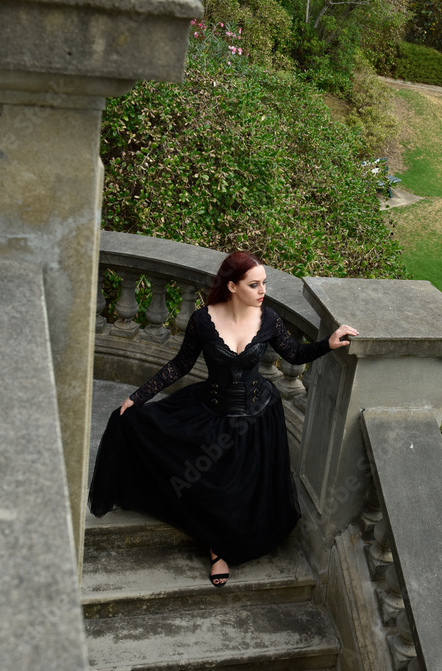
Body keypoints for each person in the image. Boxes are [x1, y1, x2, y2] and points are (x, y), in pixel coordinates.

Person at [88, 251, 358, 586]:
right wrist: (138, 396)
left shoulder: (269, 319)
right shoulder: (203, 321)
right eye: (254, 284)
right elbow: (180, 364)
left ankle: (224, 546)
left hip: (258, 416)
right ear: (232, 286)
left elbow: (294, 353)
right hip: (213, 411)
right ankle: (217, 547)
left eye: (264, 283)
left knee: (239, 487)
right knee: (203, 478)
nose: (262, 290)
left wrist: (328, 343)